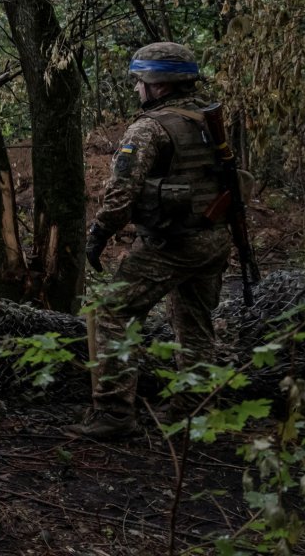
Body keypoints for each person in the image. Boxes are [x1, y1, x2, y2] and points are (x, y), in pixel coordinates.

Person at [66, 42, 229, 441]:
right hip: (213, 238)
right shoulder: (210, 119)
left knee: (109, 313)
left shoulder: (149, 128)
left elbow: (121, 193)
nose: (137, 89)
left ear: (158, 85)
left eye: (140, 81)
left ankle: (115, 413)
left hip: (171, 244)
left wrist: (99, 232)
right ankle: (195, 410)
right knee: (195, 324)